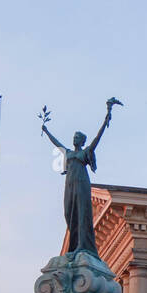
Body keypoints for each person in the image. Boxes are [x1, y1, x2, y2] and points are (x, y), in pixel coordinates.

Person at [40, 99, 120, 255]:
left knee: (82, 213)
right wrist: (47, 130)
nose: (74, 138)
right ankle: (75, 244)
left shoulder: (85, 152)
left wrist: (107, 116)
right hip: (69, 185)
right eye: (74, 136)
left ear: (82, 141)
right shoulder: (69, 153)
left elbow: (98, 137)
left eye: (77, 137)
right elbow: (56, 143)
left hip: (82, 184)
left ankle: (82, 246)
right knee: (69, 213)